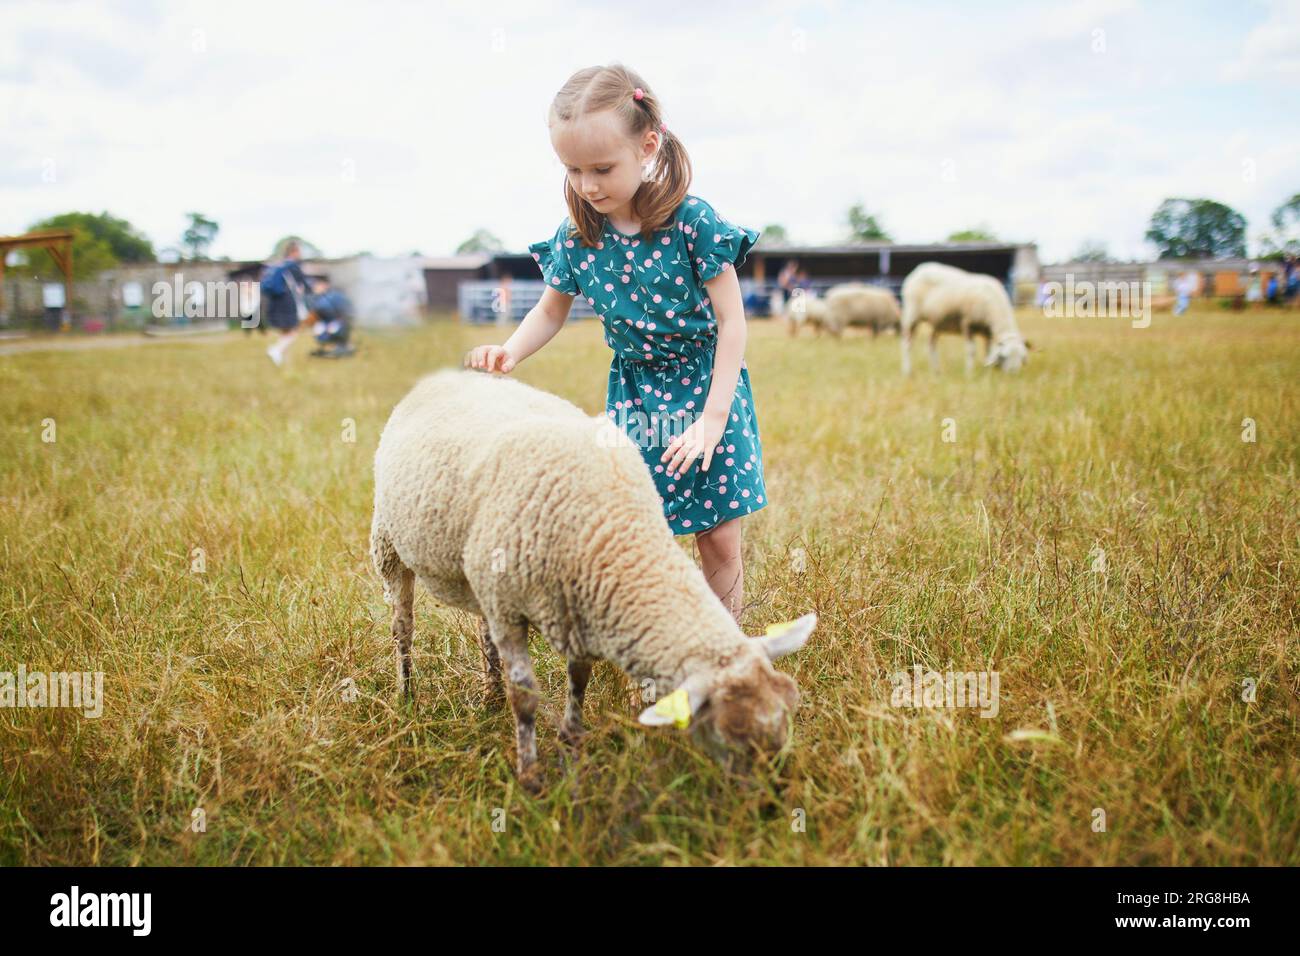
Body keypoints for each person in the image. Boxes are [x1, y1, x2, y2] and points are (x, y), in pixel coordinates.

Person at [464, 64, 766, 625]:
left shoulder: (691, 223)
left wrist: (713, 418)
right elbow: (549, 310)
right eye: (573, 170)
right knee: (637, 530)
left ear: (648, 146)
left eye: (602, 168)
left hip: (706, 389)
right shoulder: (577, 236)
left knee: (718, 536)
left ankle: (723, 651)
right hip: (635, 394)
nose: (588, 185)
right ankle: (649, 648)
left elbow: (732, 321)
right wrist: (511, 350)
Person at [260, 241, 312, 365]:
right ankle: (276, 350)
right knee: (294, 331)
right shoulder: (292, 266)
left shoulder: (277, 265)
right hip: (287, 302)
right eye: (299, 252)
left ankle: (282, 359)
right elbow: (304, 284)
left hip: (275, 303)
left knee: (285, 332)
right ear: (294, 252)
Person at [308, 276, 355, 357]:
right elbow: (317, 314)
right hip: (326, 322)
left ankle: (343, 347)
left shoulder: (335, 296)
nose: (315, 287)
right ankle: (329, 348)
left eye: (317, 285)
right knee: (319, 331)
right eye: (314, 285)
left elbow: (345, 312)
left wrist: (337, 323)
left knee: (333, 329)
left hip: (339, 321)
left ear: (325, 285)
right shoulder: (316, 298)